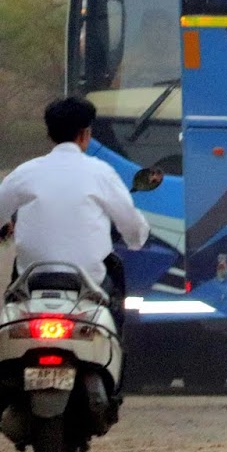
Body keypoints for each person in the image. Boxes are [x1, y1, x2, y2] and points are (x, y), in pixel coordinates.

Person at [0, 97, 151, 338]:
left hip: (32, 283)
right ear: (85, 134)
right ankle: (115, 346)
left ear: (50, 135)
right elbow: (132, 225)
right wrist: (136, 240)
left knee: (11, 302)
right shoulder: (101, 173)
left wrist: (6, 227)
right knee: (116, 290)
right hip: (89, 284)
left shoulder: (24, 173)